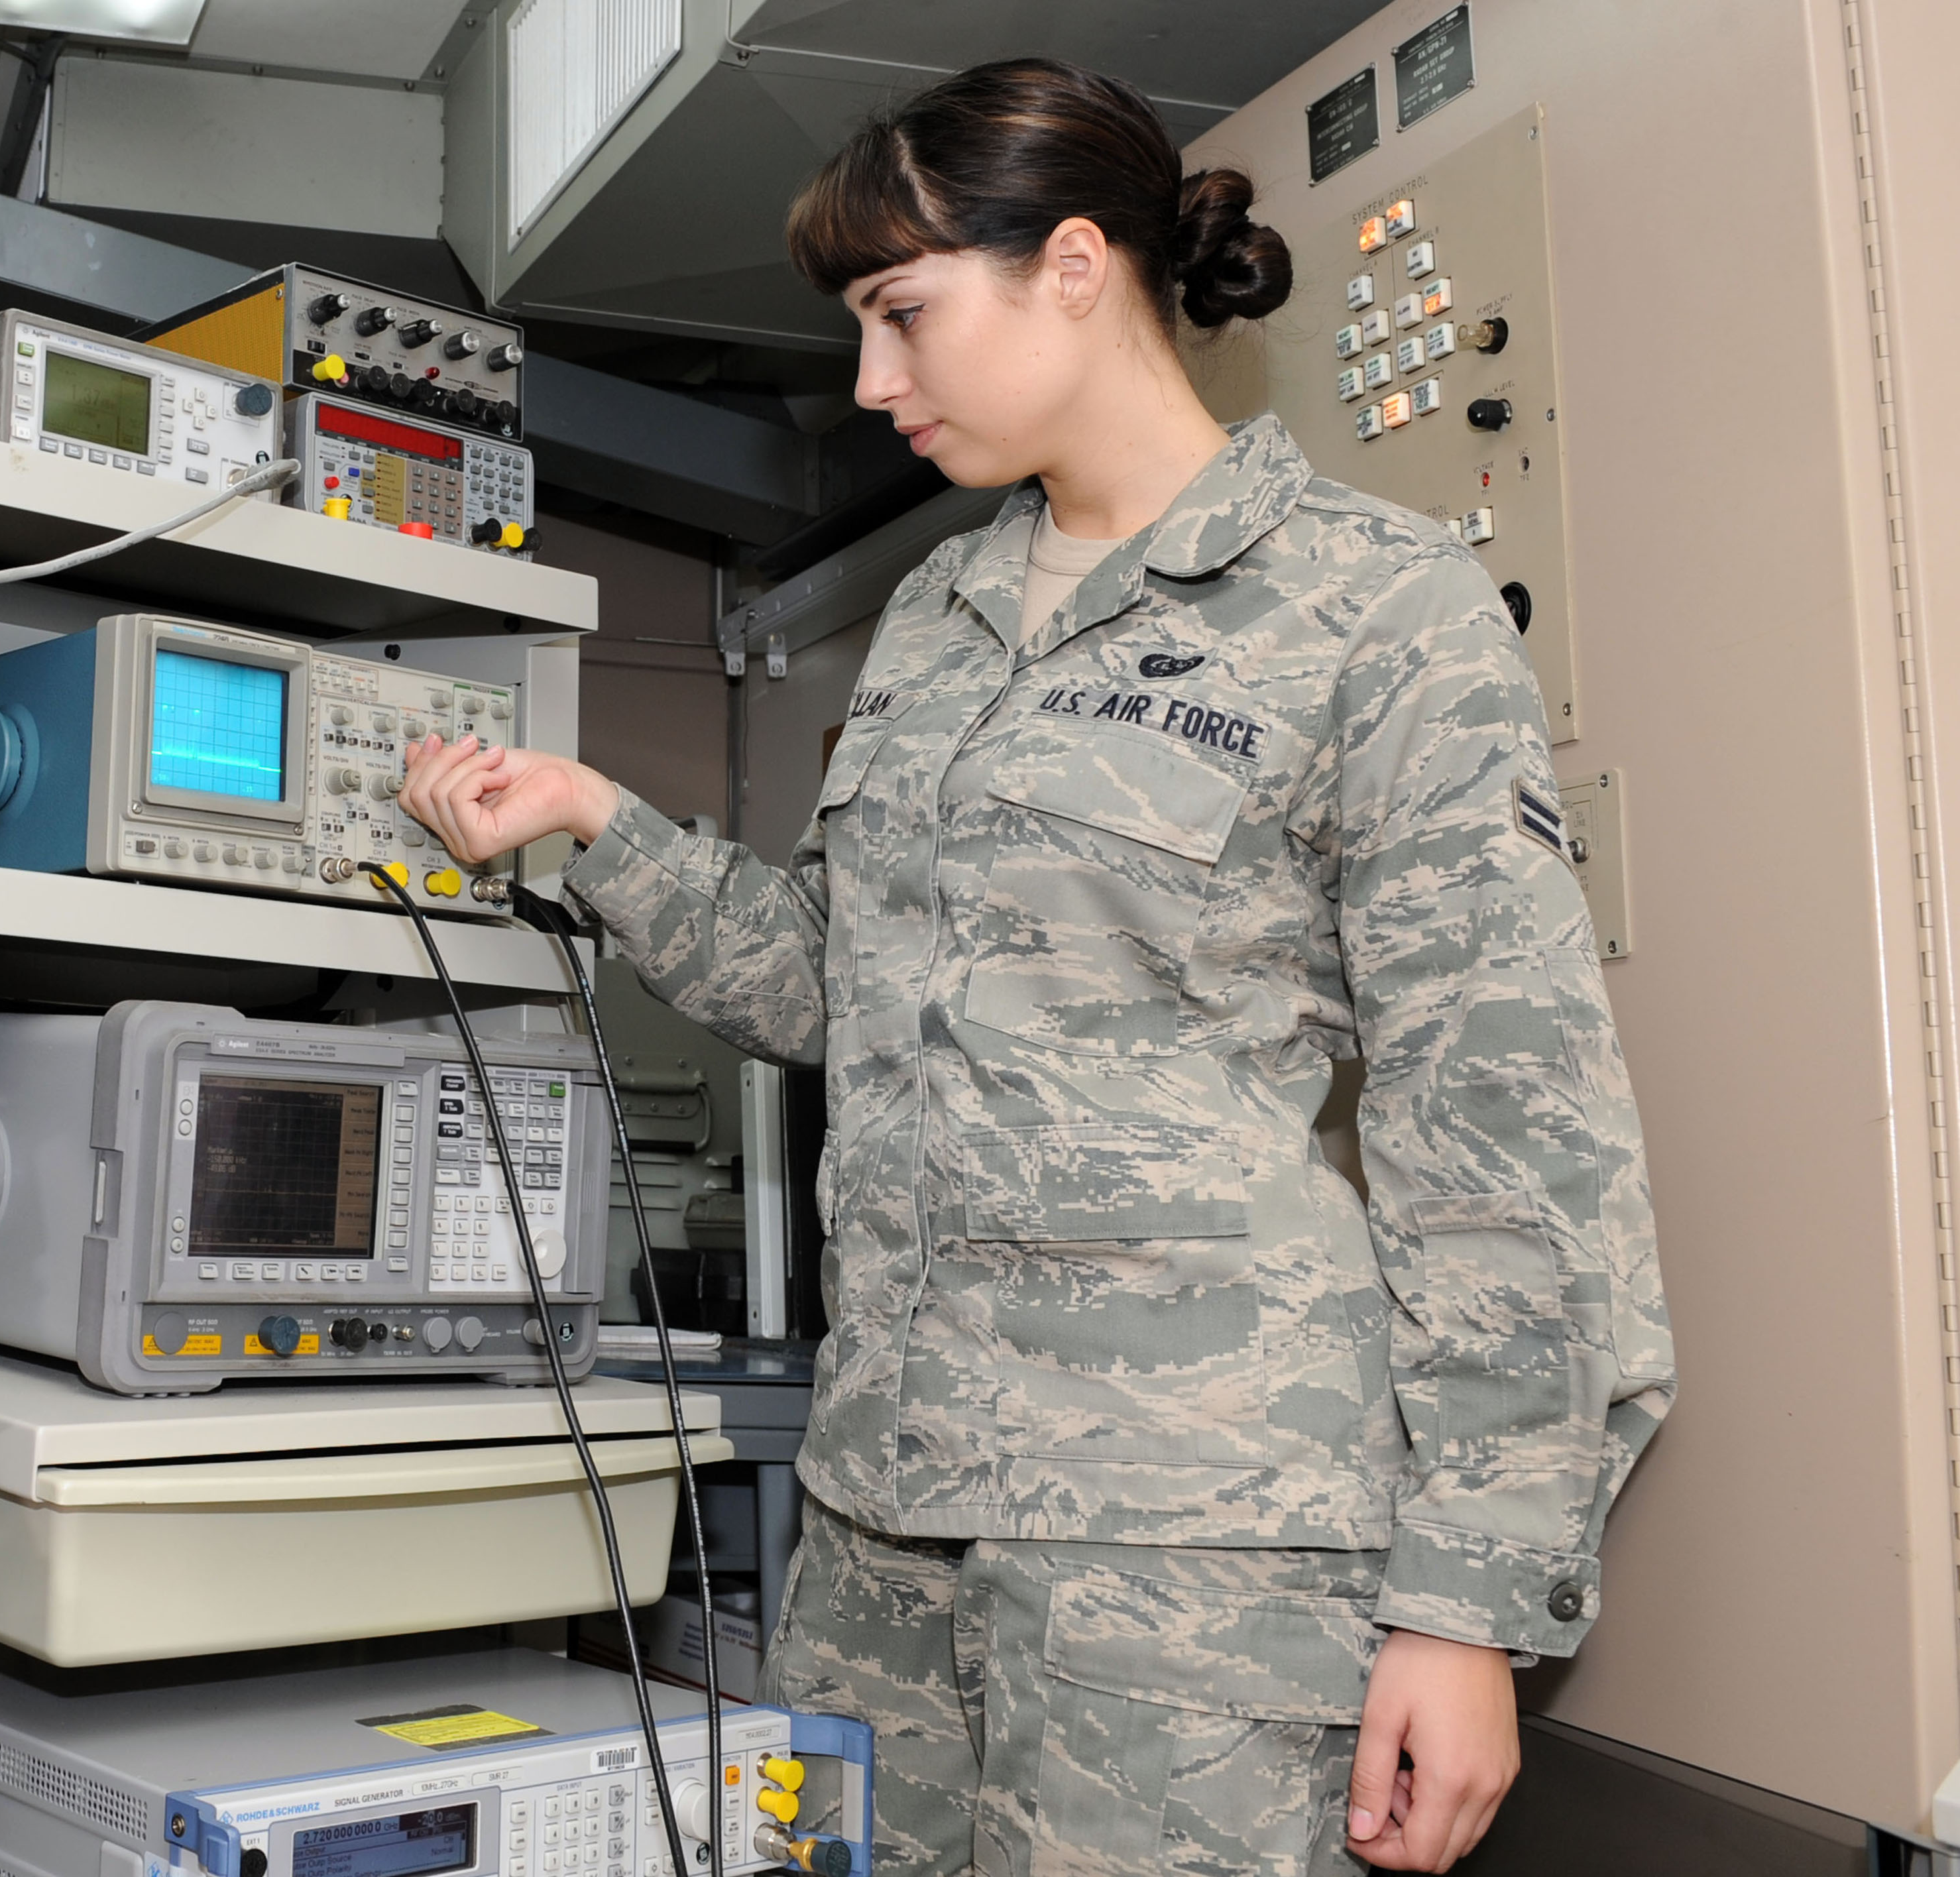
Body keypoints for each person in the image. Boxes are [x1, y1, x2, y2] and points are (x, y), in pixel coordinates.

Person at [400, 56, 1674, 1877]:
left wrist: (1470, 1604)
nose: (872, 381)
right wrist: (597, 823)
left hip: (1195, 1559)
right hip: (884, 1521)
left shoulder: (1374, 609)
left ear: (1074, 264)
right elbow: (843, 983)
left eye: (901, 313)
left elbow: (1511, 1132)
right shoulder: (944, 615)